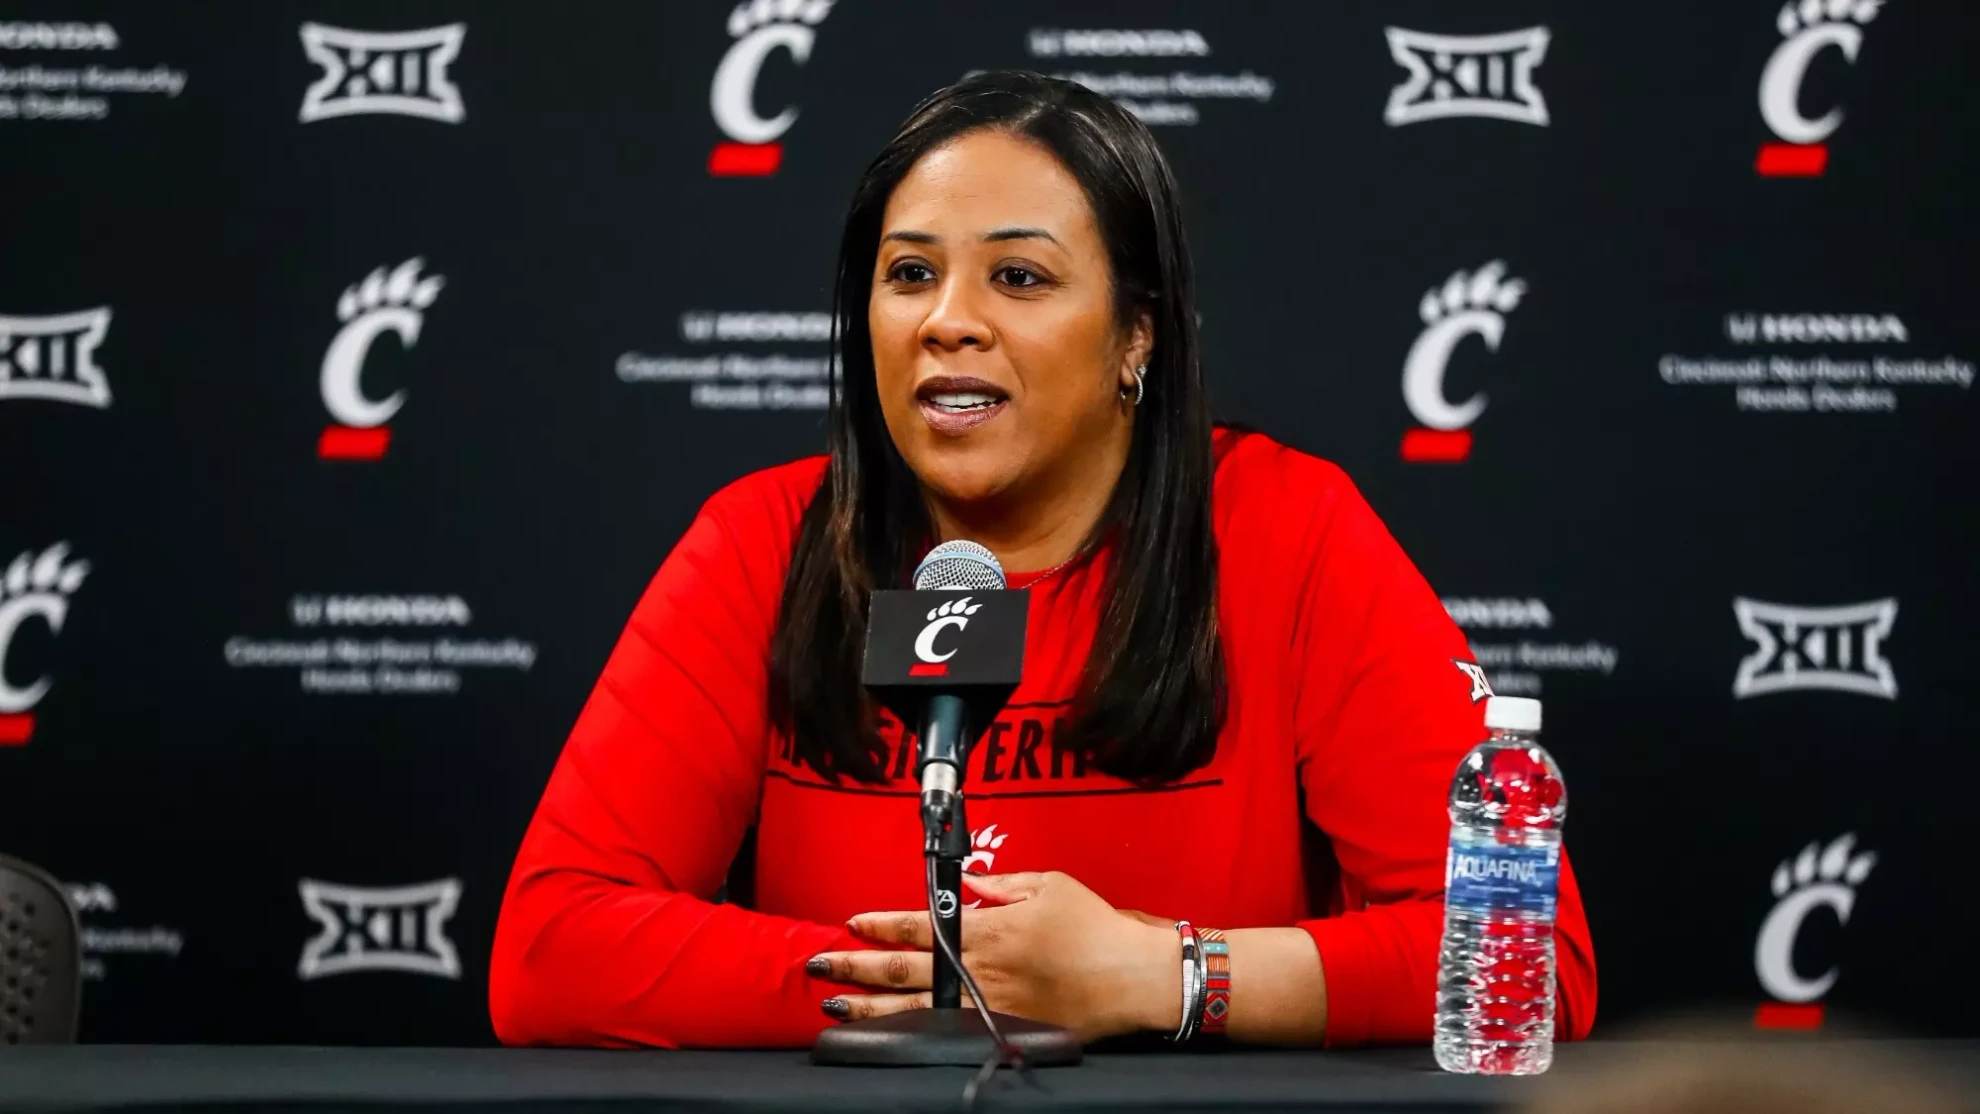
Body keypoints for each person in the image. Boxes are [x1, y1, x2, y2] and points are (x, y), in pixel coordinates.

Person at [488, 69, 1596, 1050]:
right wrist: (948, 995)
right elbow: (551, 948)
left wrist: (1163, 979)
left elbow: (1524, 961)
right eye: (909, 273)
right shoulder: (764, 539)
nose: (947, 321)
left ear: (1137, 336)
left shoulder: (1286, 527)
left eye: (1018, 278)